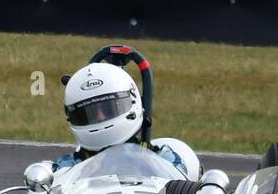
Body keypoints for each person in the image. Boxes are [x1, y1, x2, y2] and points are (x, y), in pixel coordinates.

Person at [52, 61, 190, 175]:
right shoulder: (67, 168)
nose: (100, 117)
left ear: (132, 101)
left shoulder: (165, 160)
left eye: (107, 109)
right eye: (89, 114)